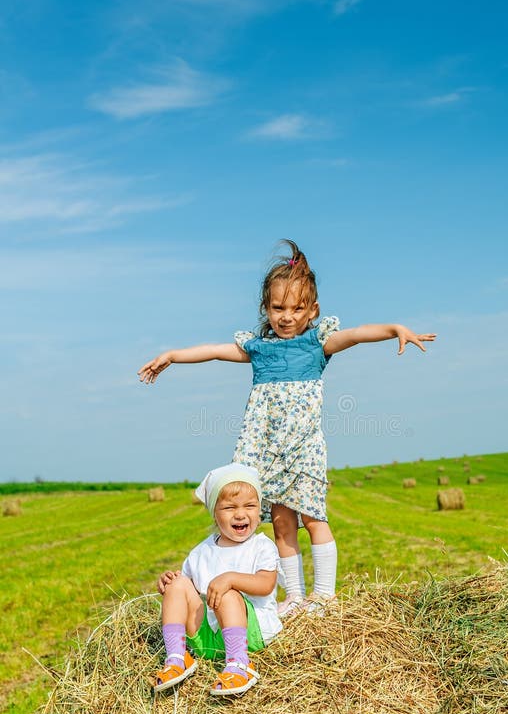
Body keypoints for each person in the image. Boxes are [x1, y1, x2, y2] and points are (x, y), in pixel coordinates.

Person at [139, 240, 436, 618]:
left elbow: (359, 333)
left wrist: (395, 328)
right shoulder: (259, 349)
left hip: (304, 448)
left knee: (314, 519)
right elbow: (213, 350)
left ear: (313, 310)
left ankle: (325, 596)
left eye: (297, 308)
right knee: (281, 525)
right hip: (265, 450)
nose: (287, 316)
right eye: (278, 307)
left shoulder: (317, 344)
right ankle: (294, 597)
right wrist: (172, 356)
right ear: (266, 308)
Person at [154, 463, 282, 696]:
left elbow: (266, 585)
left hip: (250, 634)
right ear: (214, 512)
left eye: (250, 506)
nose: (241, 514)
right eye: (230, 507)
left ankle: (239, 664)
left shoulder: (261, 546)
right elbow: (188, 593)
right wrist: (169, 583)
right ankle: (176, 657)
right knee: (178, 584)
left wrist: (230, 579)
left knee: (228, 592)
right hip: (207, 640)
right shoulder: (201, 551)